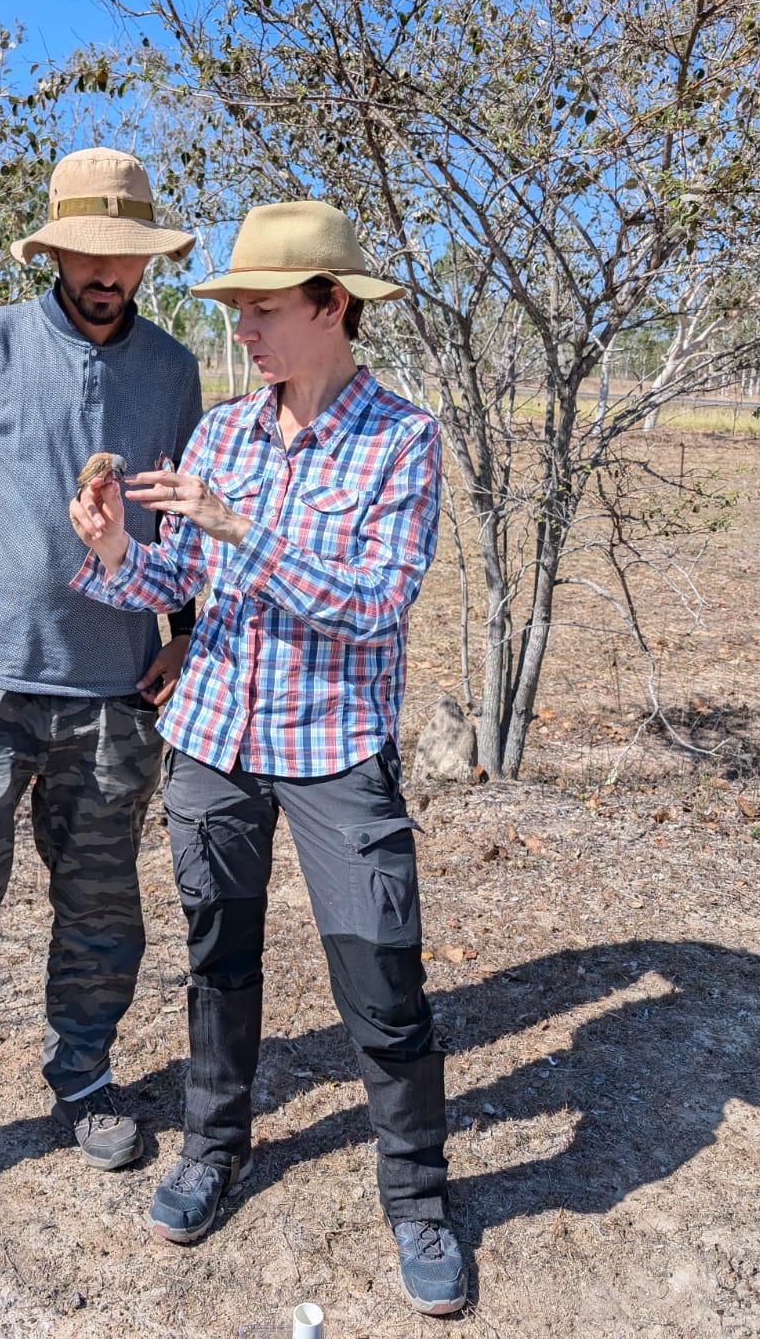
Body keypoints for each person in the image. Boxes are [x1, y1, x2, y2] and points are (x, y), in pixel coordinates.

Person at [69, 200, 468, 1317]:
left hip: (335, 748)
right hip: (212, 744)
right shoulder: (222, 436)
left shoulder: (400, 439)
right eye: (235, 308)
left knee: (381, 977)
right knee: (217, 957)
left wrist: (243, 527)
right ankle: (213, 1146)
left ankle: (418, 1197)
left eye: (261, 307)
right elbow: (178, 590)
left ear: (331, 306)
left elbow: (375, 601)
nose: (240, 327)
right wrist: (113, 552)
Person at [0, 147, 203, 1225]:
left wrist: (186, 631)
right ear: (53, 246)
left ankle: (82, 1078)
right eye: (88, 252)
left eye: (125, 258)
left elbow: (180, 518)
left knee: (102, 908)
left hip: (114, 687)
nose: (105, 273)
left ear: (146, 264)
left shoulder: (172, 368)